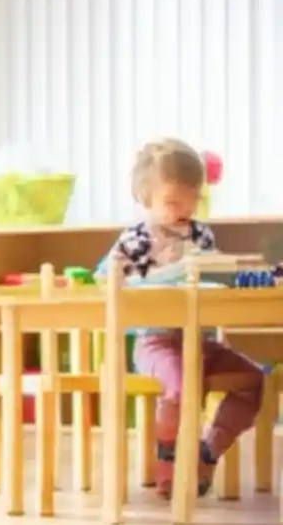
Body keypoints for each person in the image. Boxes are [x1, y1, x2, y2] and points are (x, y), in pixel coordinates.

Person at [96, 138, 265, 499]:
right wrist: (161, 274)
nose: (183, 209)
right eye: (173, 202)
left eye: (193, 199)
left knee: (253, 379)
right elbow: (104, 277)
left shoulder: (201, 234)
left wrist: (223, 270)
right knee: (179, 387)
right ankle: (169, 465)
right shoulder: (137, 238)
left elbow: (214, 274)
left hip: (199, 341)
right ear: (146, 198)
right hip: (156, 342)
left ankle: (207, 450)